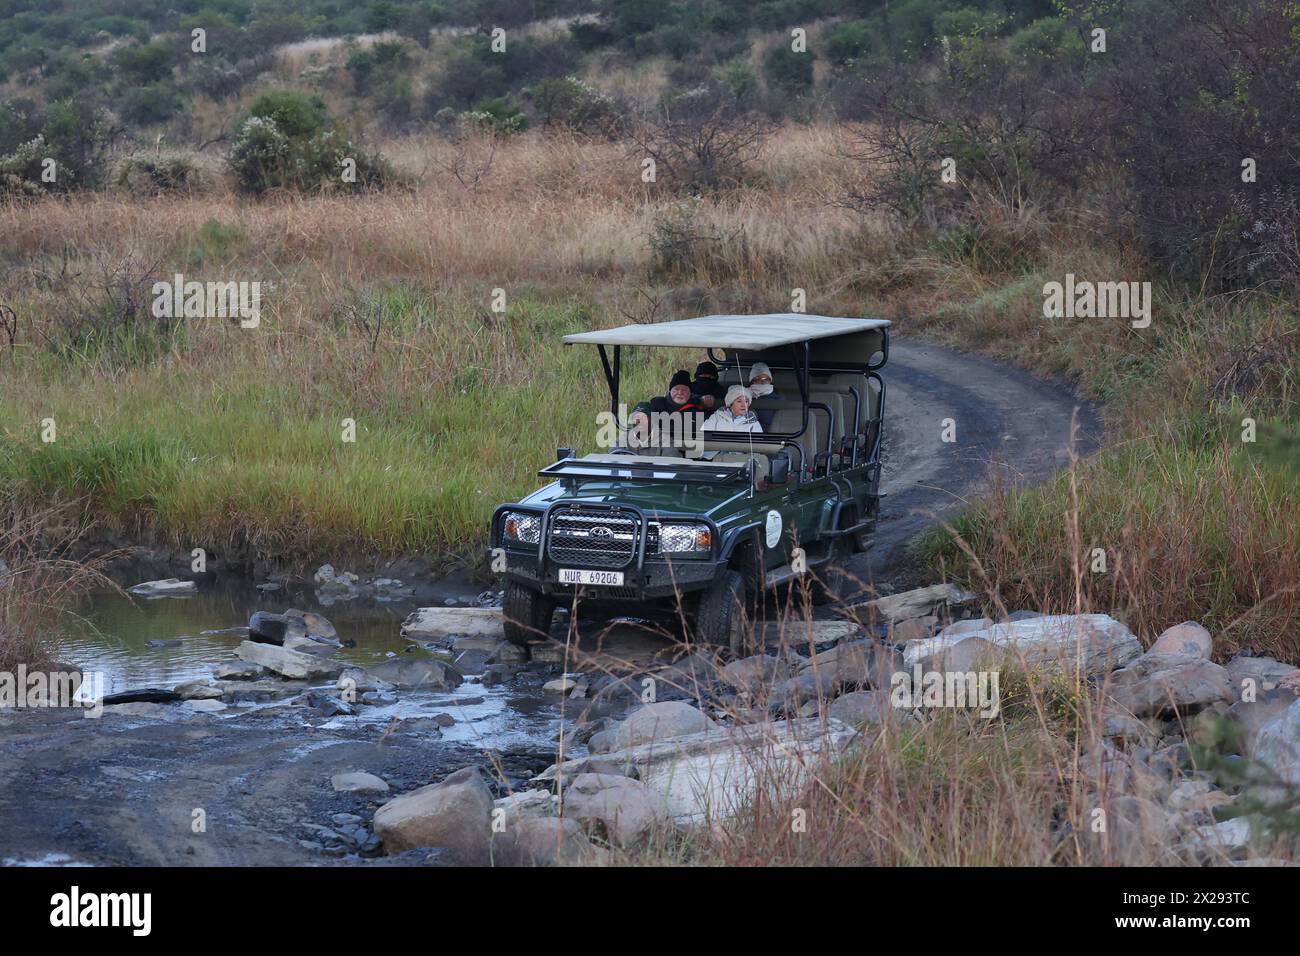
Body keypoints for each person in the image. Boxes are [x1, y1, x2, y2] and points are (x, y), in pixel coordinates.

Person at [628, 370, 709, 451]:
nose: (680, 392)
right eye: (676, 389)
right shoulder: (656, 405)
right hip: (658, 450)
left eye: (684, 390)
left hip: (689, 451)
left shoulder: (699, 410)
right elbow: (641, 419)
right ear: (670, 391)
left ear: (690, 393)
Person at [747, 362, 782, 429]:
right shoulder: (743, 396)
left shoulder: (778, 399)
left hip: (767, 436)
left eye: (765, 379)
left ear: (770, 380)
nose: (762, 382)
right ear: (752, 381)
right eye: (757, 379)